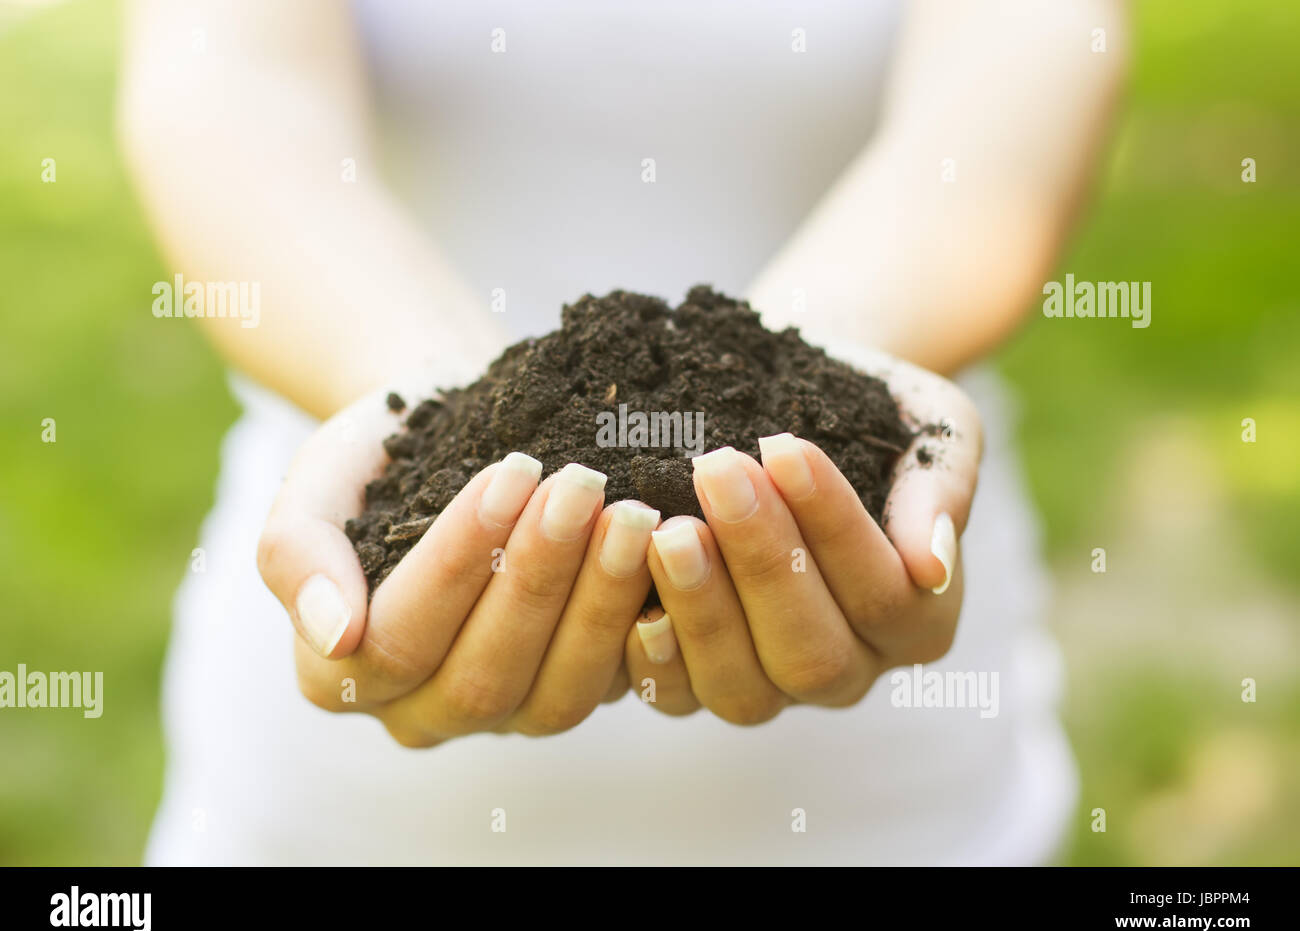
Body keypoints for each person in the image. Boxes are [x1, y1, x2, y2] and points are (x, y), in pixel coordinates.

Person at [120, 0, 1126, 864]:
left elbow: (1031, 45)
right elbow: (226, 81)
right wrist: (406, 382)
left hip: (893, 791)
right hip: (342, 812)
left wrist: (833, 351)